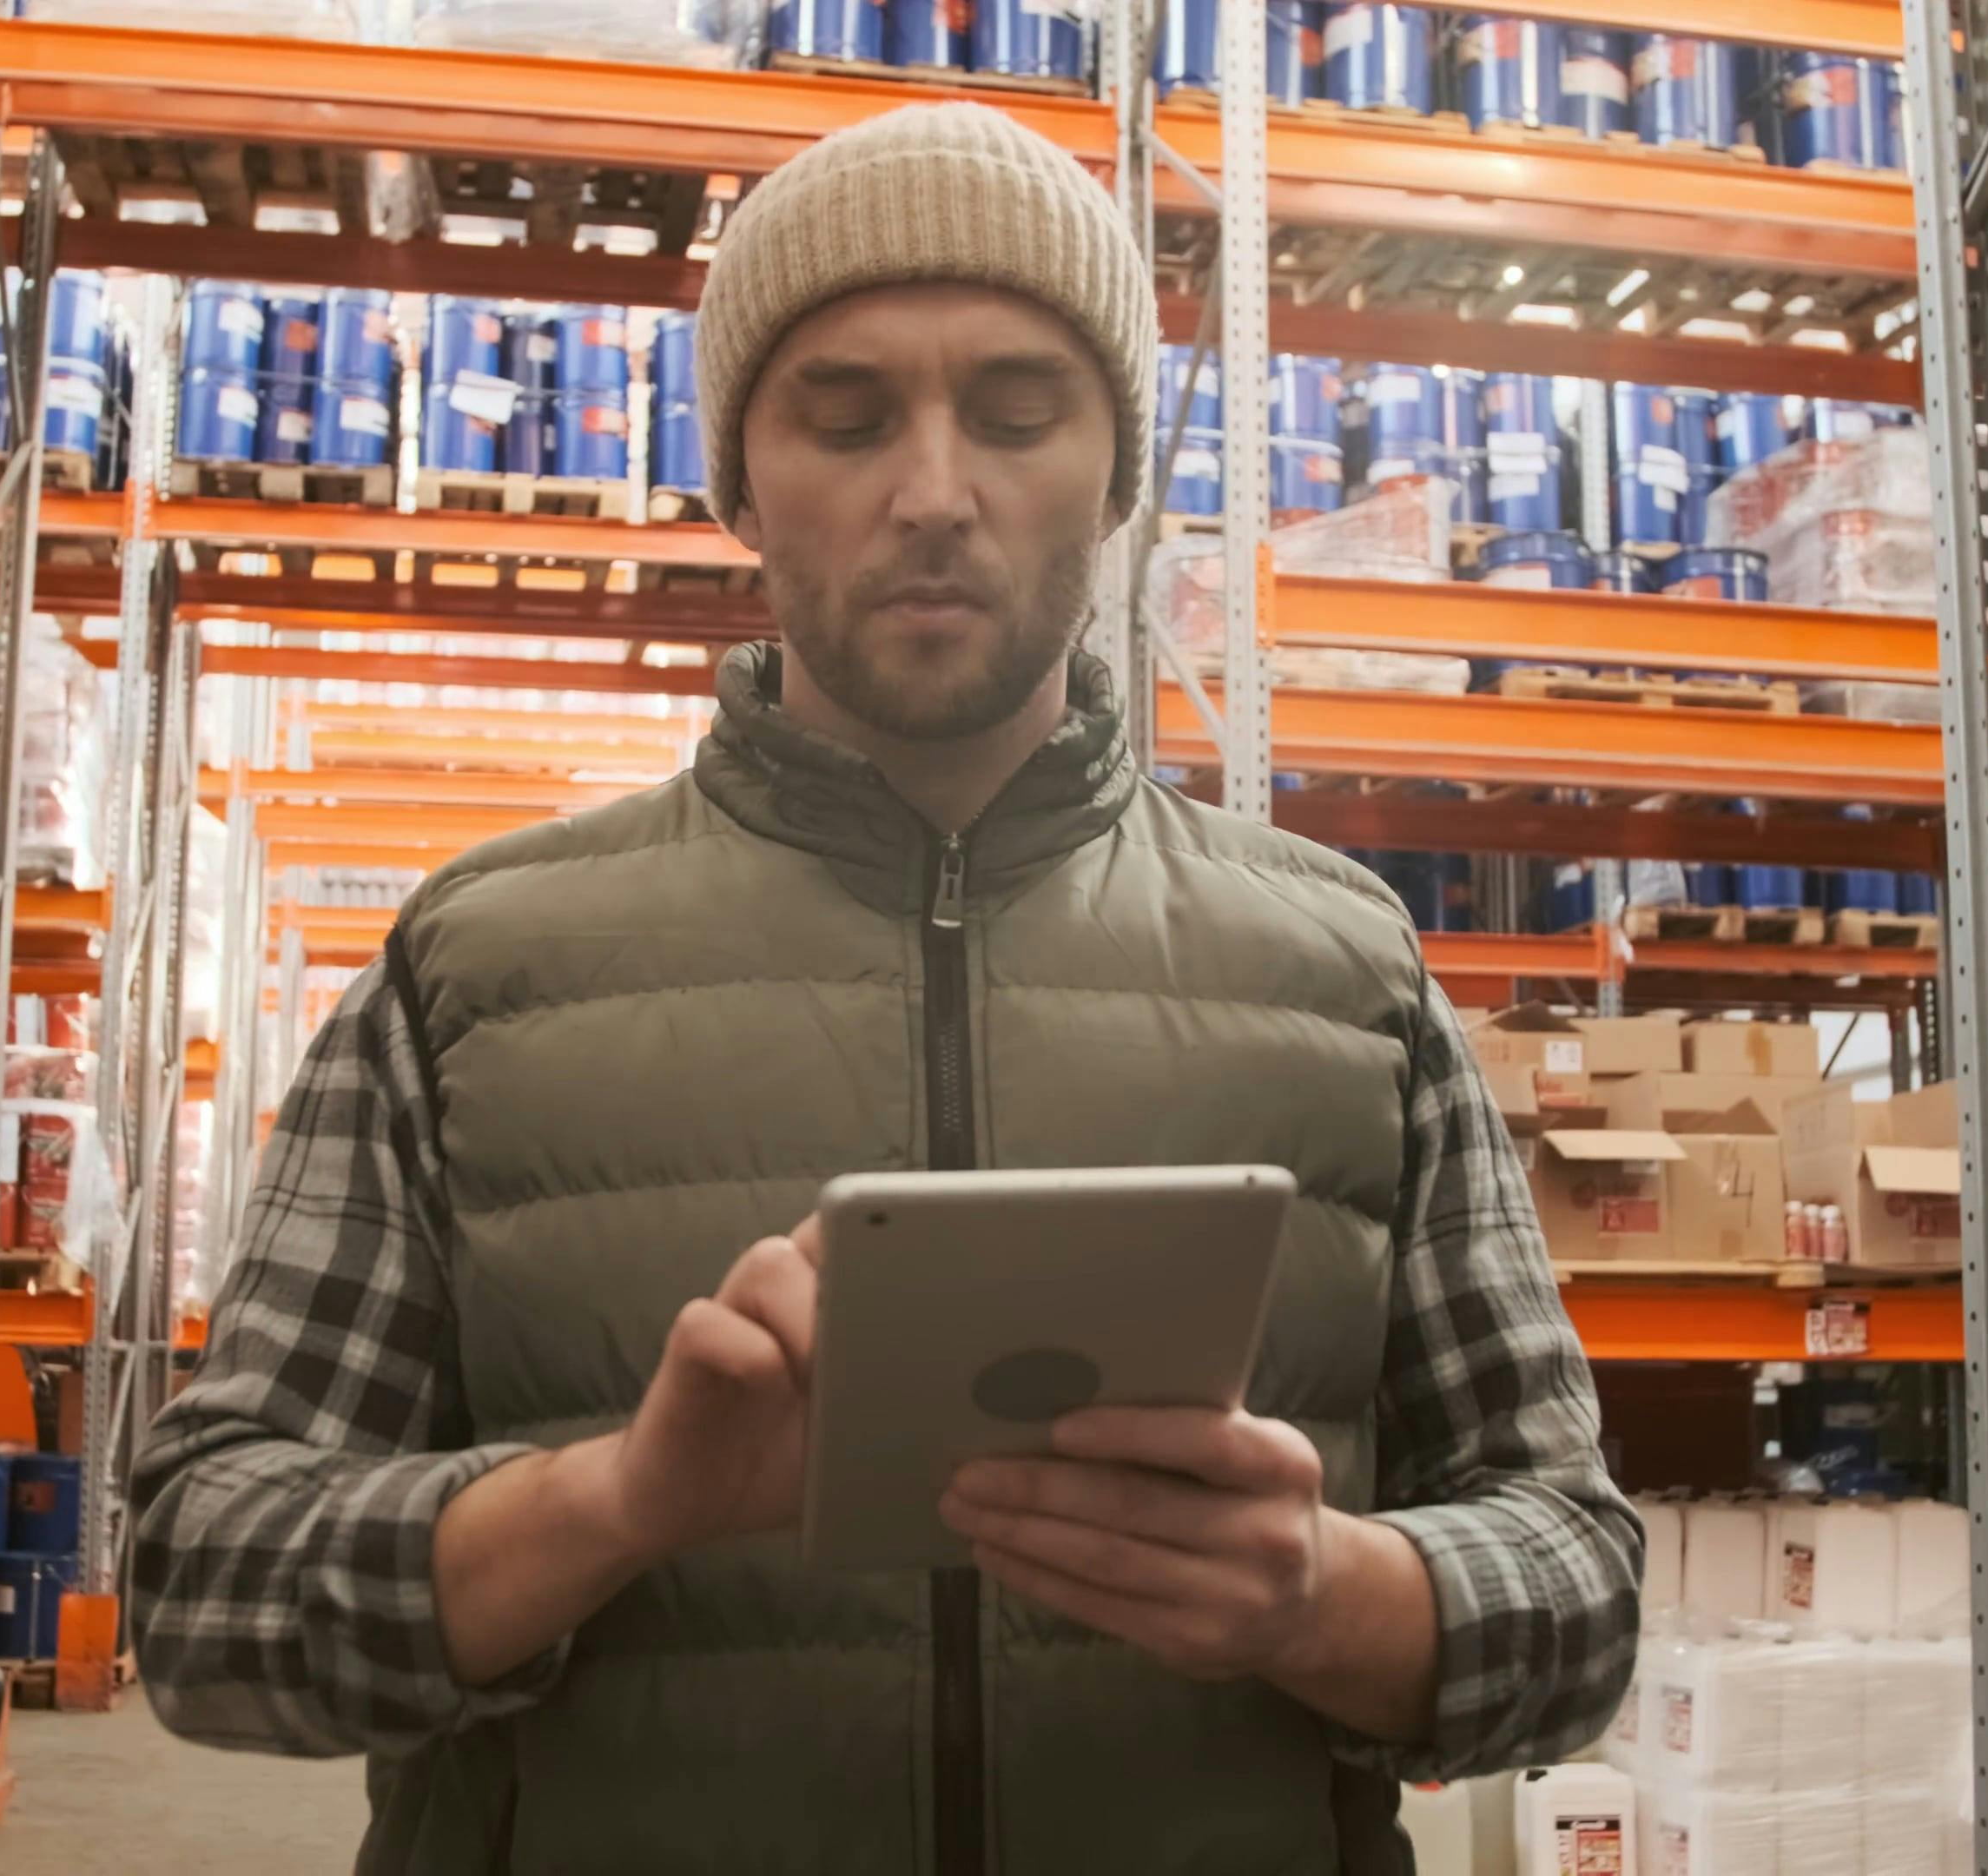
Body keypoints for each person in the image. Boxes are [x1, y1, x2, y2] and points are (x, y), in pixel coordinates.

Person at [132, 102, 1641, 1873]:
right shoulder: (478, 968)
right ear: (742, 484)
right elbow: (203, 1591)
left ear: (1119, 470)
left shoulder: (1346, 974)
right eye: (843, 418)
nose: (934, 492)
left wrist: (1326, 1596)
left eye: (1018, 414)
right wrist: (606, 1506)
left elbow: (1583, 1589)